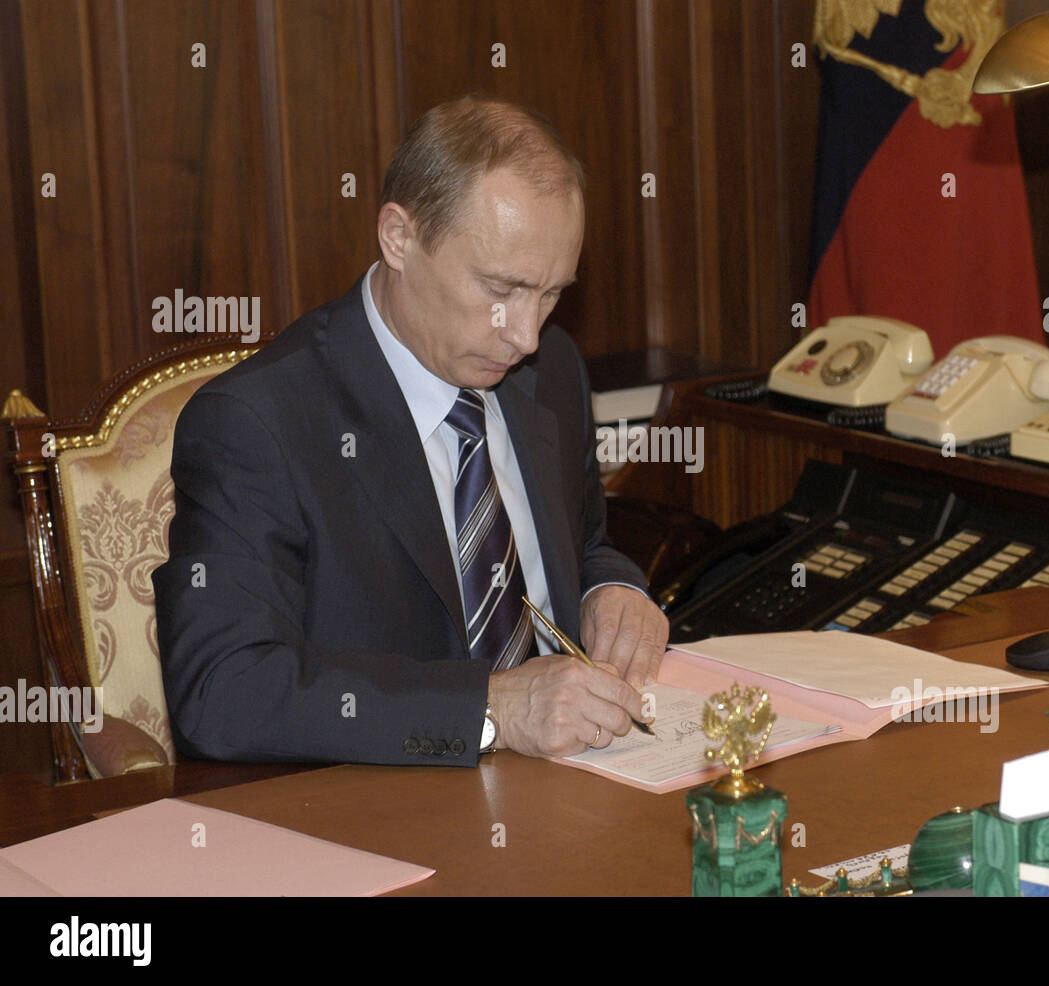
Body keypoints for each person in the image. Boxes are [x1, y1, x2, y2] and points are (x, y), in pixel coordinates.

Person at [153, 95, 669, 766]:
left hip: (580, 786)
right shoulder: (262, 423)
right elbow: (221, 690)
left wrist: (613, 591)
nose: (525, 334)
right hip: (385, 820)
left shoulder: (552, 371)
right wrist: (491, 708)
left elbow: (585, 540)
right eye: (500, 289)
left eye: (550, 294)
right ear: (399, 237)